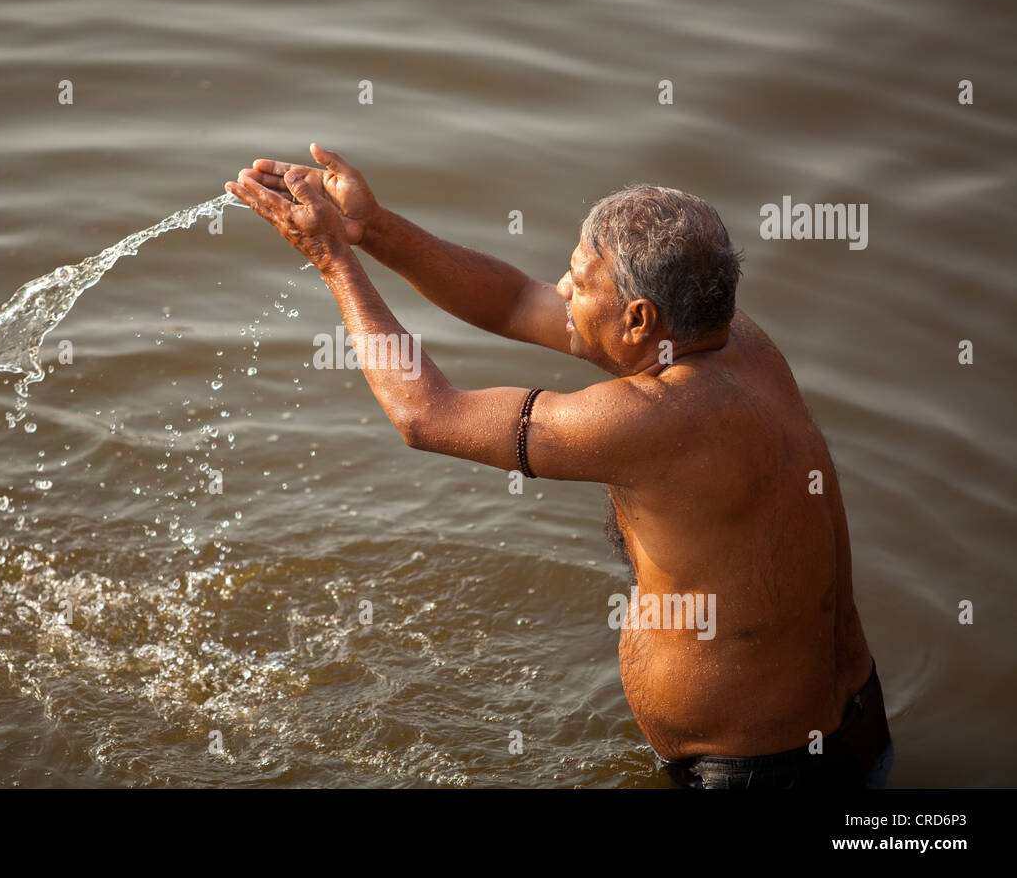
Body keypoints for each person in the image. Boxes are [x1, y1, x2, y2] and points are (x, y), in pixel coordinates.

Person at [224, 144, 892, 788]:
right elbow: (515, 300)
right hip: (853, 727)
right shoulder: (735, 341)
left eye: (579, 278)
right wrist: (372, 229)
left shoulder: (652, 419)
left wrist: (332, 261)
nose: (562, 287)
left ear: (638, 318)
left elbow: (425, 415)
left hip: (762, 773)